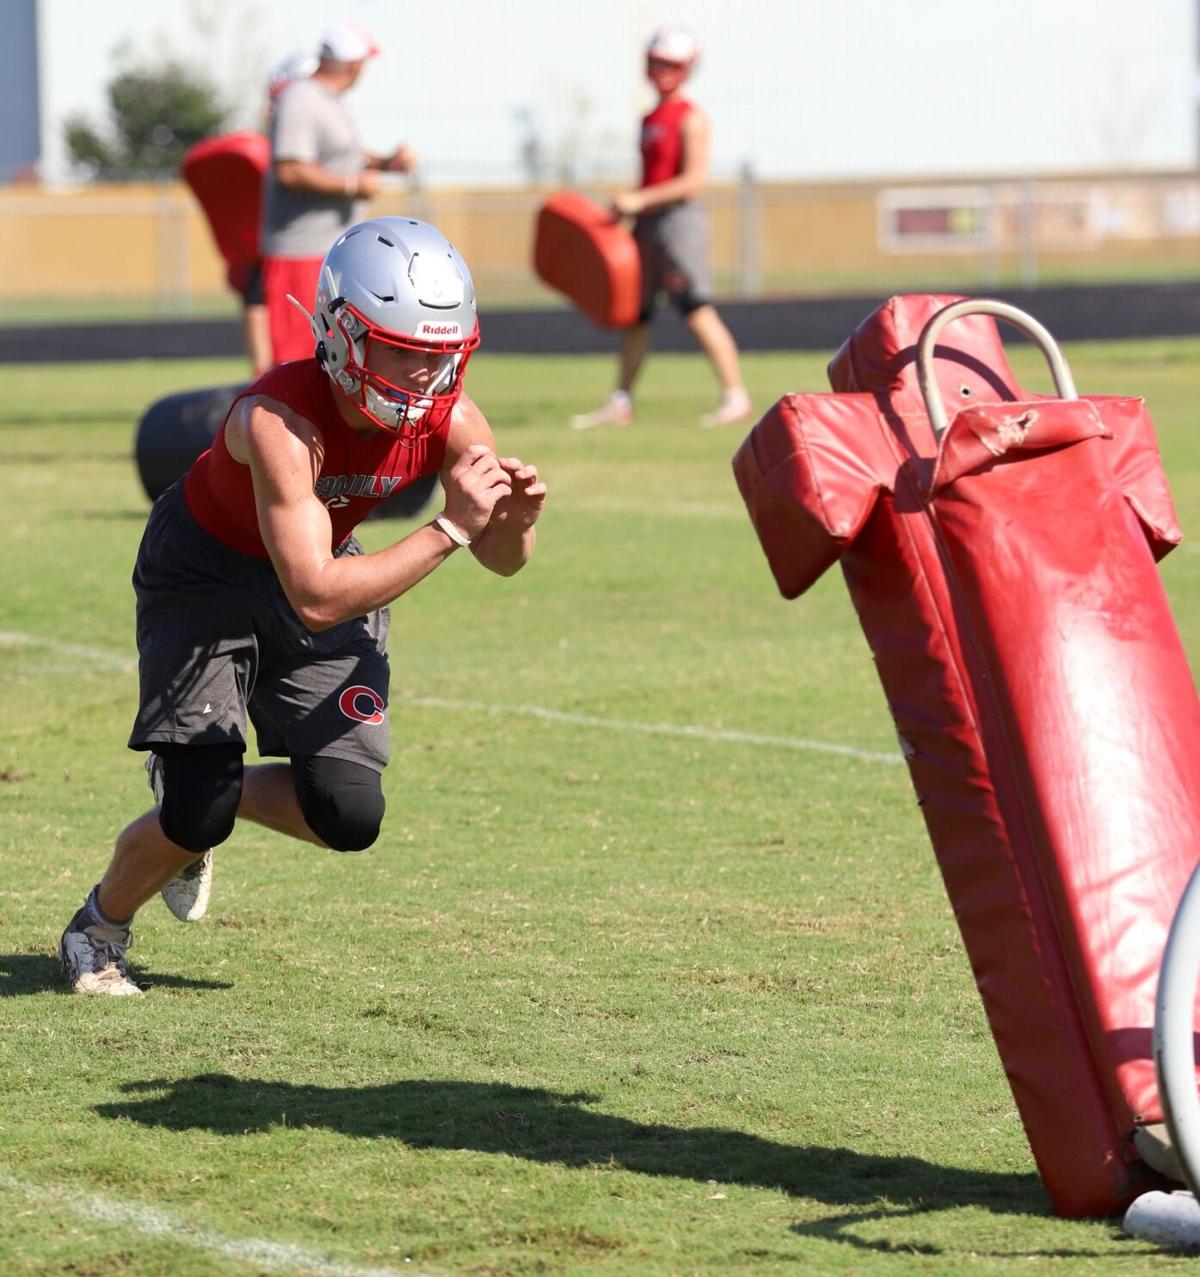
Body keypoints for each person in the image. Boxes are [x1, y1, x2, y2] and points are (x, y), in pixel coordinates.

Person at [59, 216, 547, 996]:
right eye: (405, 353)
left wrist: (510, 521)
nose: (425, 381)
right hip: (207, 575)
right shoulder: (277, 420)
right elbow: (316, 598)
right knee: (195, 811)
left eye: (441, 358)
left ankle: (217, 787)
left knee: (348, 813)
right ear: (344, 333)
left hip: (314, 562)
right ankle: (98, 928)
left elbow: (503, 561)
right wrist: (453, 526)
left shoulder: (453, 418)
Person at [570, 25, 751, 431]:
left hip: (677, 224)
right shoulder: (649, 117)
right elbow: (650, 177)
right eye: (655, 62)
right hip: (647, 225)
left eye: (671, 64)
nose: (661, 71)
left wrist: (640, 200)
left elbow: (693, 181)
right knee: (637, 315)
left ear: (687, 69)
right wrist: (628, 207)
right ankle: (621, 401)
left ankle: (735, 395)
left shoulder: (692, 118)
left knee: (695, 307)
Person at [261, 20, 417, 365]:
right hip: (300, 253)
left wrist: (385, 163)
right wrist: (352, 186)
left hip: (328, 254)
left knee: (336, 363)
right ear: (354, 64)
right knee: (297, 365)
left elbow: (340, 158)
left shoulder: (327, 101)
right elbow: (290, 168)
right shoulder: (301, 99)